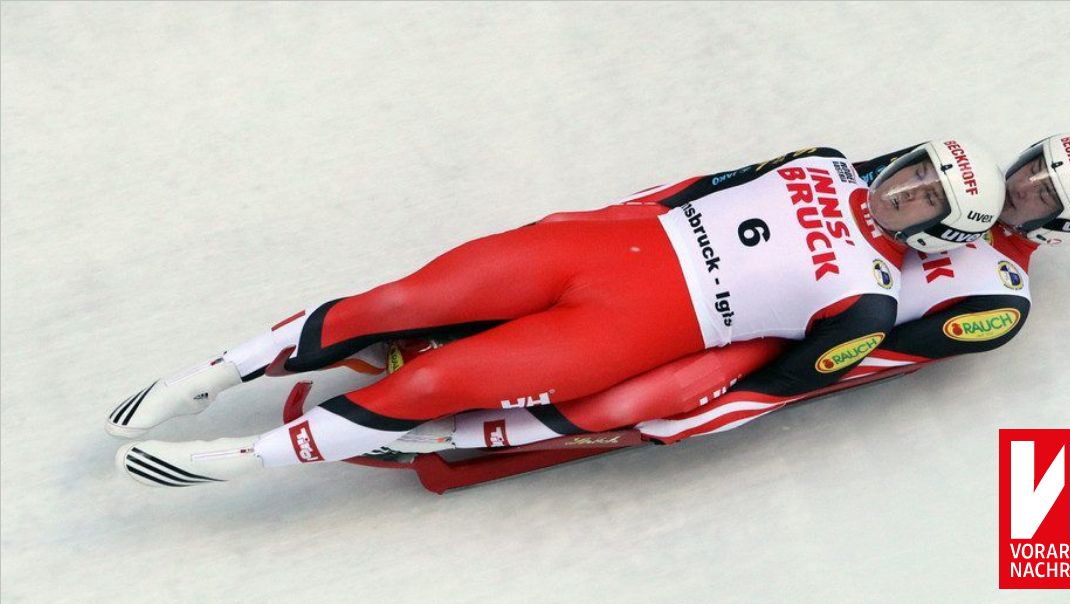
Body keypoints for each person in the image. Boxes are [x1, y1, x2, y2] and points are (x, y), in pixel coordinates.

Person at [109, 139, 1005, 487]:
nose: (909, 191)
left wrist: (666, 419)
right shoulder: (820, 163)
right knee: (400, 301)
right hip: (600, 254)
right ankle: (215, 373)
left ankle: (243, 457)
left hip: (630, 333)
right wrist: (582, 221)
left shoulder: (870, 298)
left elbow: (777, 389)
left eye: (929, 200)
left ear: (936, 233)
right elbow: (685, 188)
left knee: (437, 381)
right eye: (917, 172)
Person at [393, 133, 1070, 451]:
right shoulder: (952, 172)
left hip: (784, 334)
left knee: (632, 404)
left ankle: (450, 431)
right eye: (1033, 167)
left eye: (1042, 194)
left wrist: (747, 399)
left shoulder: (1001, 301)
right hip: (730, 267)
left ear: (1061, 227)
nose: (1023, 186)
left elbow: (868, 358)